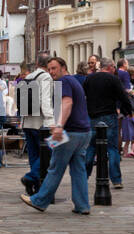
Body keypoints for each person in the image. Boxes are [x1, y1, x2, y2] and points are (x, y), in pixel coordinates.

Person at [20, 56, 91, 214]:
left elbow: (67, 103)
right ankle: (82, 205)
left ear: (63, 67)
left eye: (54, 68)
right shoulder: (73, 81)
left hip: (69, 132)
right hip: (83, 132)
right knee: (78, 169)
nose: (51, 72)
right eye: (50, 68)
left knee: (55, 167)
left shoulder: (64, 82)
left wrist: (58, 125)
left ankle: (40, 200)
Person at [83, 57, 131, 191]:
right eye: (114, 67)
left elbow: (84, 96)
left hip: (92, 117)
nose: (115, 69)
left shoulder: (89, 79)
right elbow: (123, 97)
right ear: (109, 67)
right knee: (112, 148)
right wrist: (128, 111)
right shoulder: (113, 79)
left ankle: (84, 177)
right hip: (109, 116)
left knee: (91, 147)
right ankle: (116, 180)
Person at [16, 53, 54, 194]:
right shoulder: (45, 77)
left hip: (27, 122)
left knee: (33, 156)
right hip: (40, 123)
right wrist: (50, 121)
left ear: (37, 63)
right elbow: (45, 101)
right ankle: (30, 178)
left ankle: (36, 185)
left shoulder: (29, 76)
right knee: (48, 153)